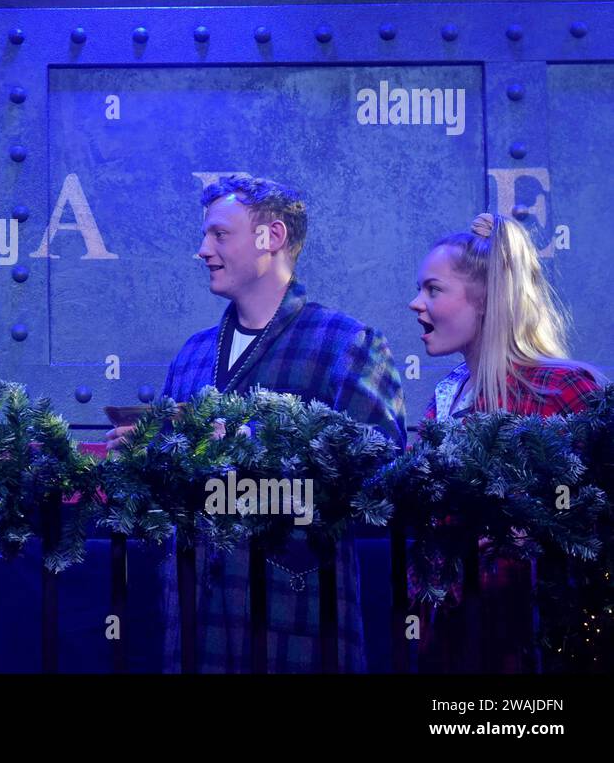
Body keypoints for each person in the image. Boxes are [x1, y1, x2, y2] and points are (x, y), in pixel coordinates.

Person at [110, 175, 406, 672]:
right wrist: (144, 457)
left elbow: (379, 479)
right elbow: (172, 492)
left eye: (219, 235)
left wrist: (245, 445)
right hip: (194, 615)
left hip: (297, 612)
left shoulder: (345, 344)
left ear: (271, 237)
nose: (203, 250)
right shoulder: (194, 353)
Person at [409, 212, 603, 671]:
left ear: (487, 301)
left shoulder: (566, 389)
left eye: (433, 289)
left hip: (541, 643)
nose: (416, 303)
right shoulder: (446, 399)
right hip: (455, 640)